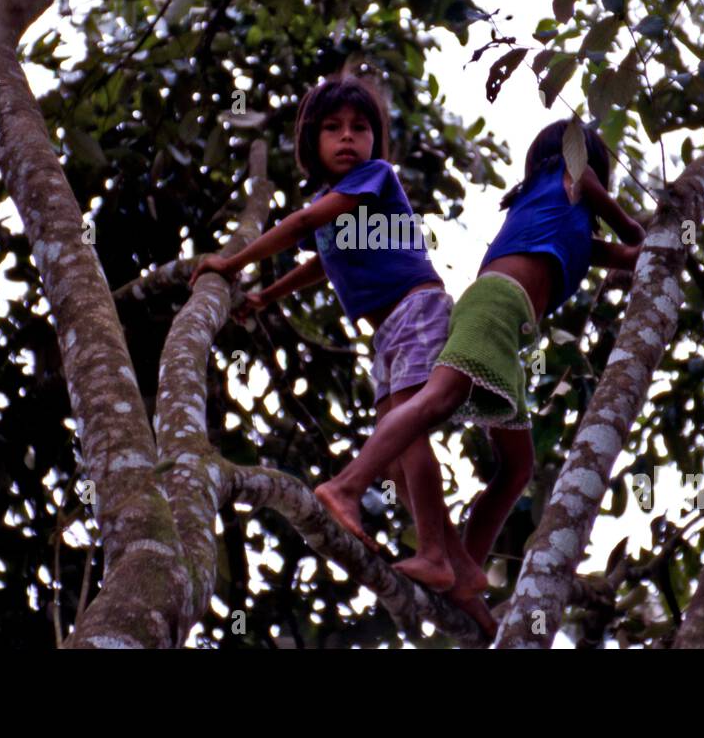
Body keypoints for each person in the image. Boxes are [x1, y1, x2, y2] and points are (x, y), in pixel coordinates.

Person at [315, 118, 646, 631]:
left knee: (517, 465)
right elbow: (612, 216)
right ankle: (348, 487)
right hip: (493, 303)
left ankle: (461, 573)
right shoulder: (564, 177)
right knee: (435, 401)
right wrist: (634, 225)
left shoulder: (571, 222)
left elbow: (627, 256)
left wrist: (656, 246)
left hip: (511, 329)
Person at [190, 73, 488, 604]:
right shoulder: (339, 202)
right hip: (393, 330)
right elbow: (322, 261)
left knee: (406, 429)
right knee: (397, 447)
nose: (347, 138)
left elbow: (304, 222)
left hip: (416, 309)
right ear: (313, 143)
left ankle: (411, 536)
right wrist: (267, 295)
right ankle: (460, 570)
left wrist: (232, 263)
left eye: (359, 127)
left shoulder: (374, 177)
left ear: (375, 139)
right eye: (333, 128)